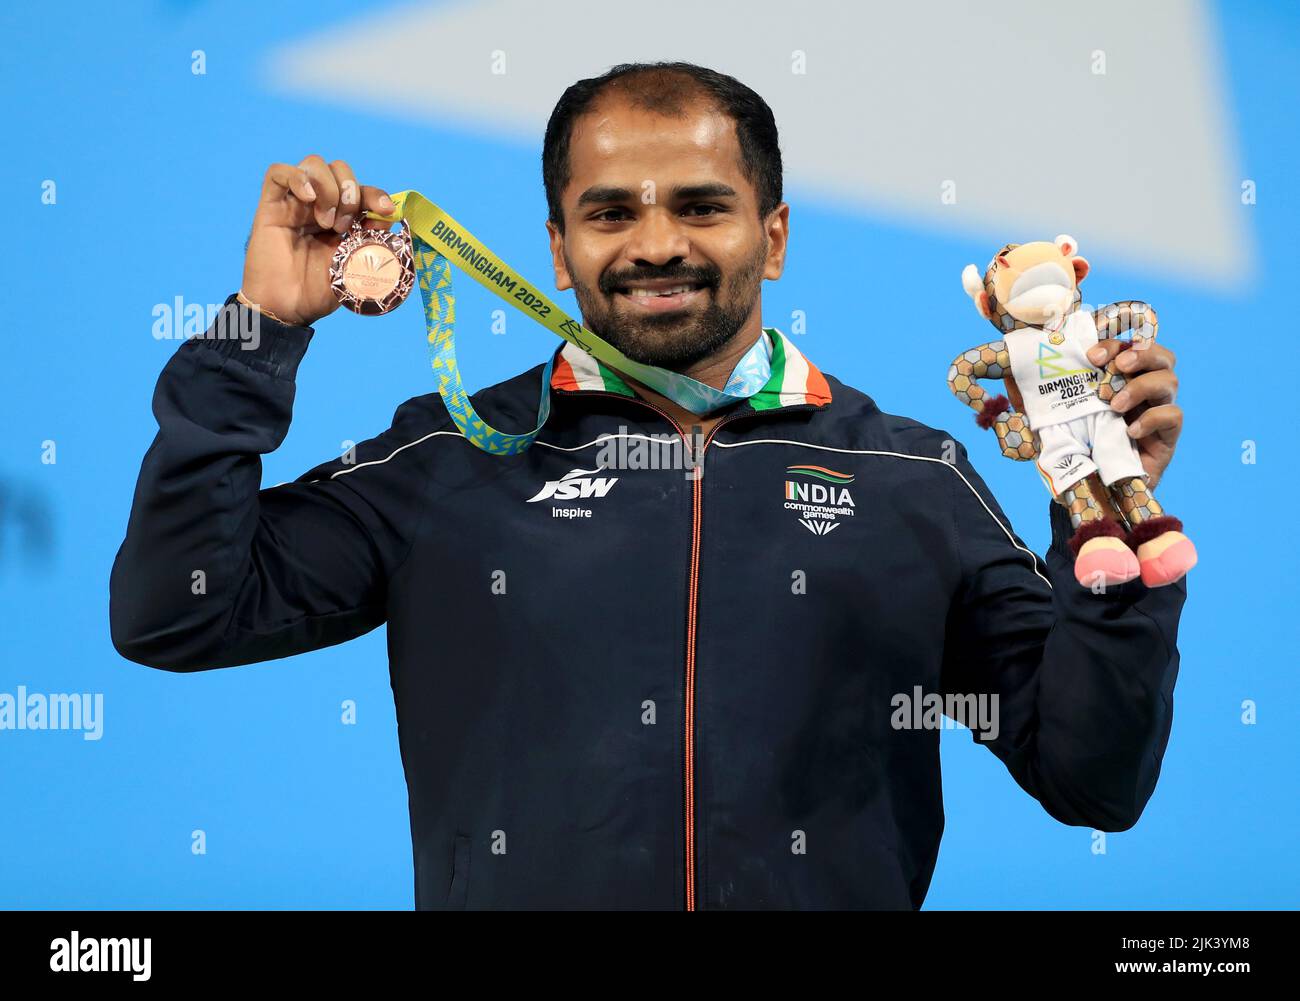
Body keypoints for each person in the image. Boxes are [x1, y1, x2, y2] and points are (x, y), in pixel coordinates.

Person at [109, 62, 1188, 910]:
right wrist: (260, 333)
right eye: (611, 211)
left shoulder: (909, 476)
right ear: (559, 247)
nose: (655, 243)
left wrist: (1106, 522)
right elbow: (176, 609)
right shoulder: (450, 454)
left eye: (701, 206)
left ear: (770, 237)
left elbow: (1091, 775)